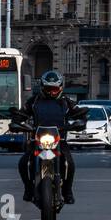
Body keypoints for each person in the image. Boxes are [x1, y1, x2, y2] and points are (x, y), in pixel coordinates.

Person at [18, 69, 80, 204]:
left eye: (55, 89)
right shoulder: (33, 101)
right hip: (37, 140)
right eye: (48, 89)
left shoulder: (66, 102)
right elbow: (21, 114)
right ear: (42, 87)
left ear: (60, 88)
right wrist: (16, 122)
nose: (52, 92)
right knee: (24, 162)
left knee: (69, 163)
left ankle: (67, 191)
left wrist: (80, 121)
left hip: (59, 141)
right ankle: (28, 189)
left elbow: (78, 113)